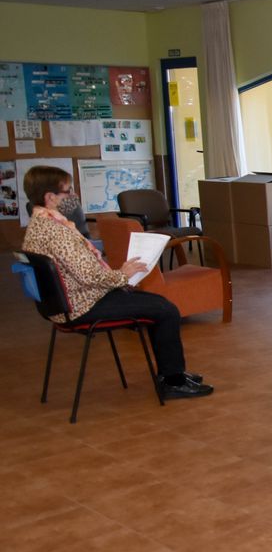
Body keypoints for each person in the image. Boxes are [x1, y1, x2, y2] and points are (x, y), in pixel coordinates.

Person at [21, 165, 212, 400]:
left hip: (67, 302)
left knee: (156, 303)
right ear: (50, 197)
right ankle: (173, 381)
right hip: (83, 305)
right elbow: (89, 276)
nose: (73, 197)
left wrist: (121, 276)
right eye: (68, 192)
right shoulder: (56, 231)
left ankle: (173, 373)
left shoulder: (39, 223)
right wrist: (123, 274)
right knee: (166, 309)